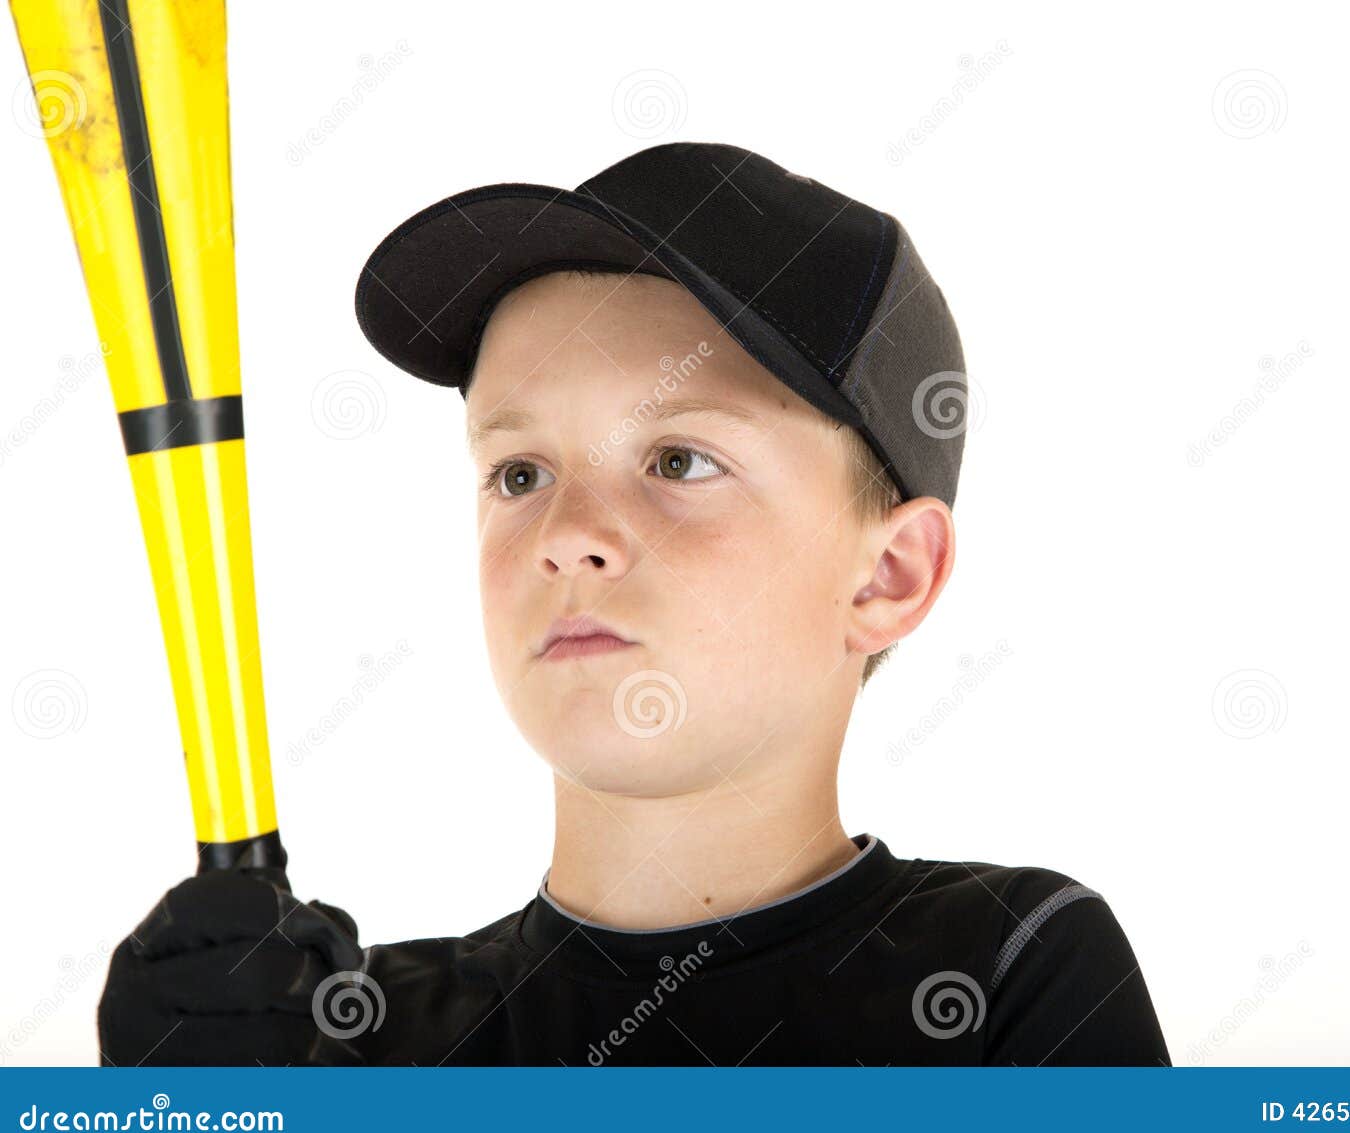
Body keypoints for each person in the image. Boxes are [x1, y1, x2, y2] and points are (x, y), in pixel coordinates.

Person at [98, 142, 1169, 1066]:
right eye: (518, 472)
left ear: (887, 575)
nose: (566, 533)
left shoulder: (1006, 965)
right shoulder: (356, 1035)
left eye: (677, 457)